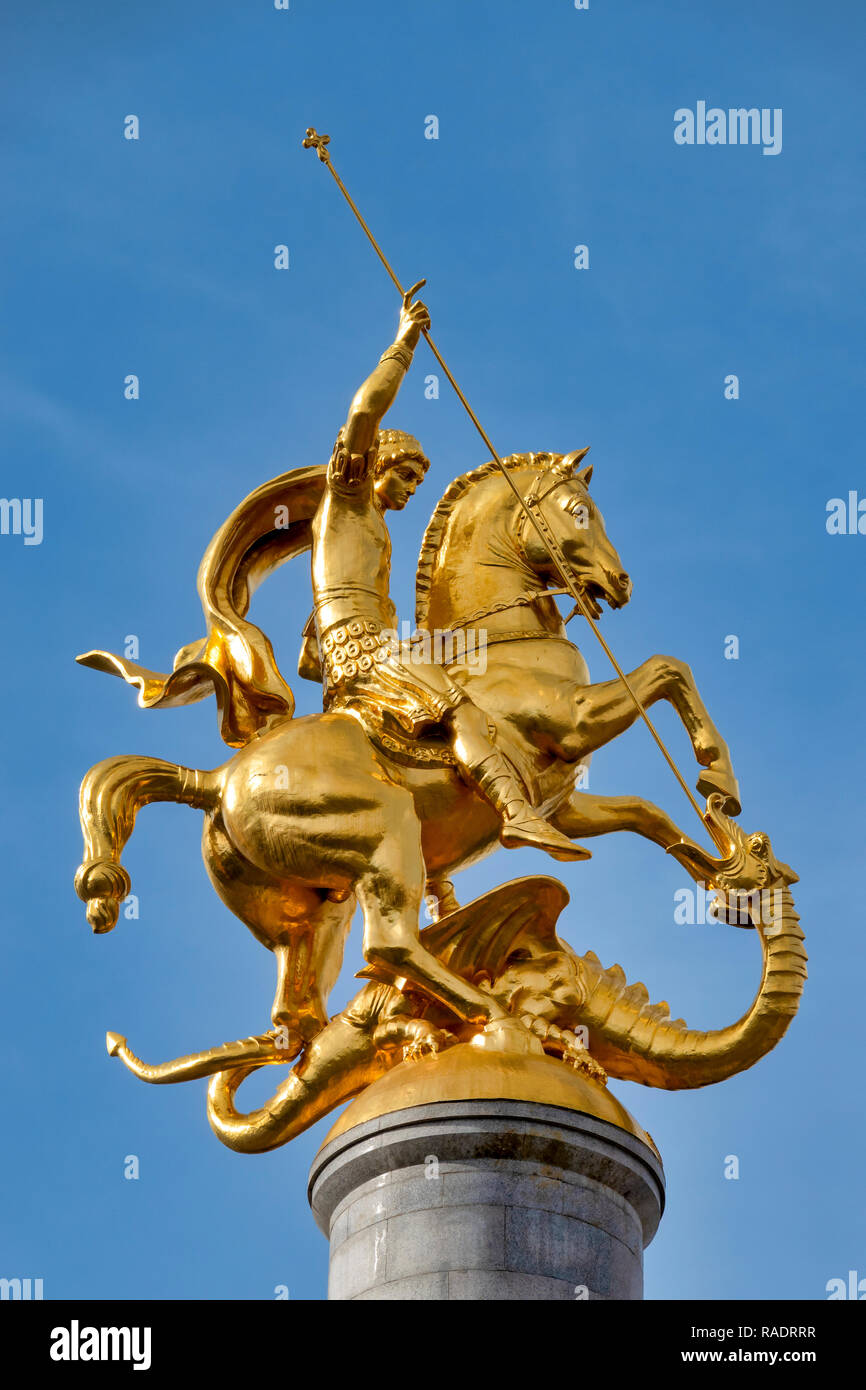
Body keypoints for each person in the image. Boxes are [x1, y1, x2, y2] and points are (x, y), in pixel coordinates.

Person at [306, 284, 582, 862]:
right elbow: (364, 411)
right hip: (364, 649)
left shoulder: (368, 524)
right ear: (373, 463)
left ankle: (438, 876)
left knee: (434, 733)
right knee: (461, 708)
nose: (408, 491)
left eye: (415, 482)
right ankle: (515, 813)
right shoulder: (349, 496)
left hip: (363, 647)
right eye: (403, 475)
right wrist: (404, 343)